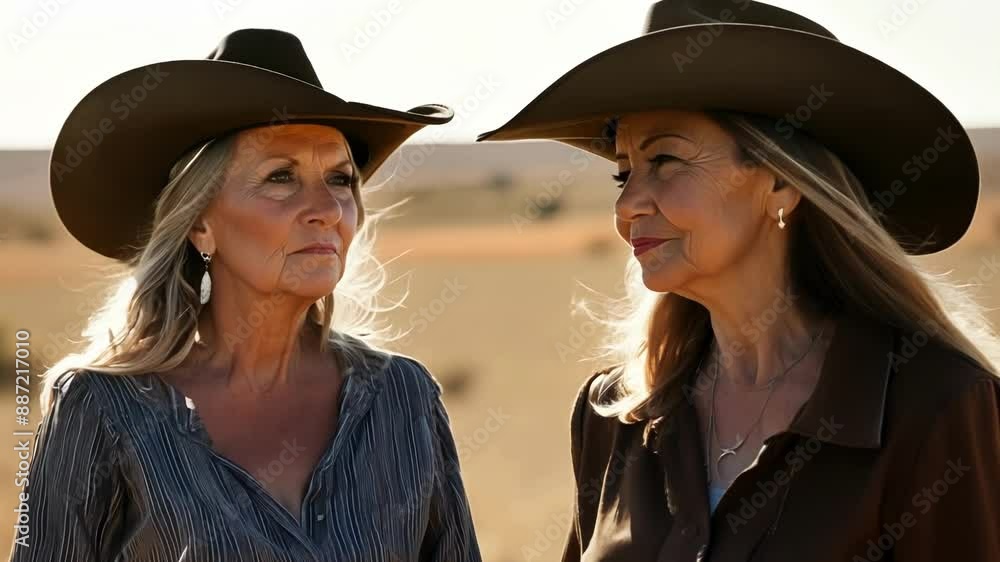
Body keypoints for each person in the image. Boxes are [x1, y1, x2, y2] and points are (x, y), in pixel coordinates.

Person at [478, 1, 1000, 560]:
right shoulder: (615, 413)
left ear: (779, 184)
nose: (628, 205)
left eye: (667, 161)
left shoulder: (935, 404)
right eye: (623, 173)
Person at [10, 28, 482, 561]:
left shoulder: (403, 398)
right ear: (200, 226)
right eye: (281, 177)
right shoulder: (101, 410)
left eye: (341, 179)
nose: (327, 209)